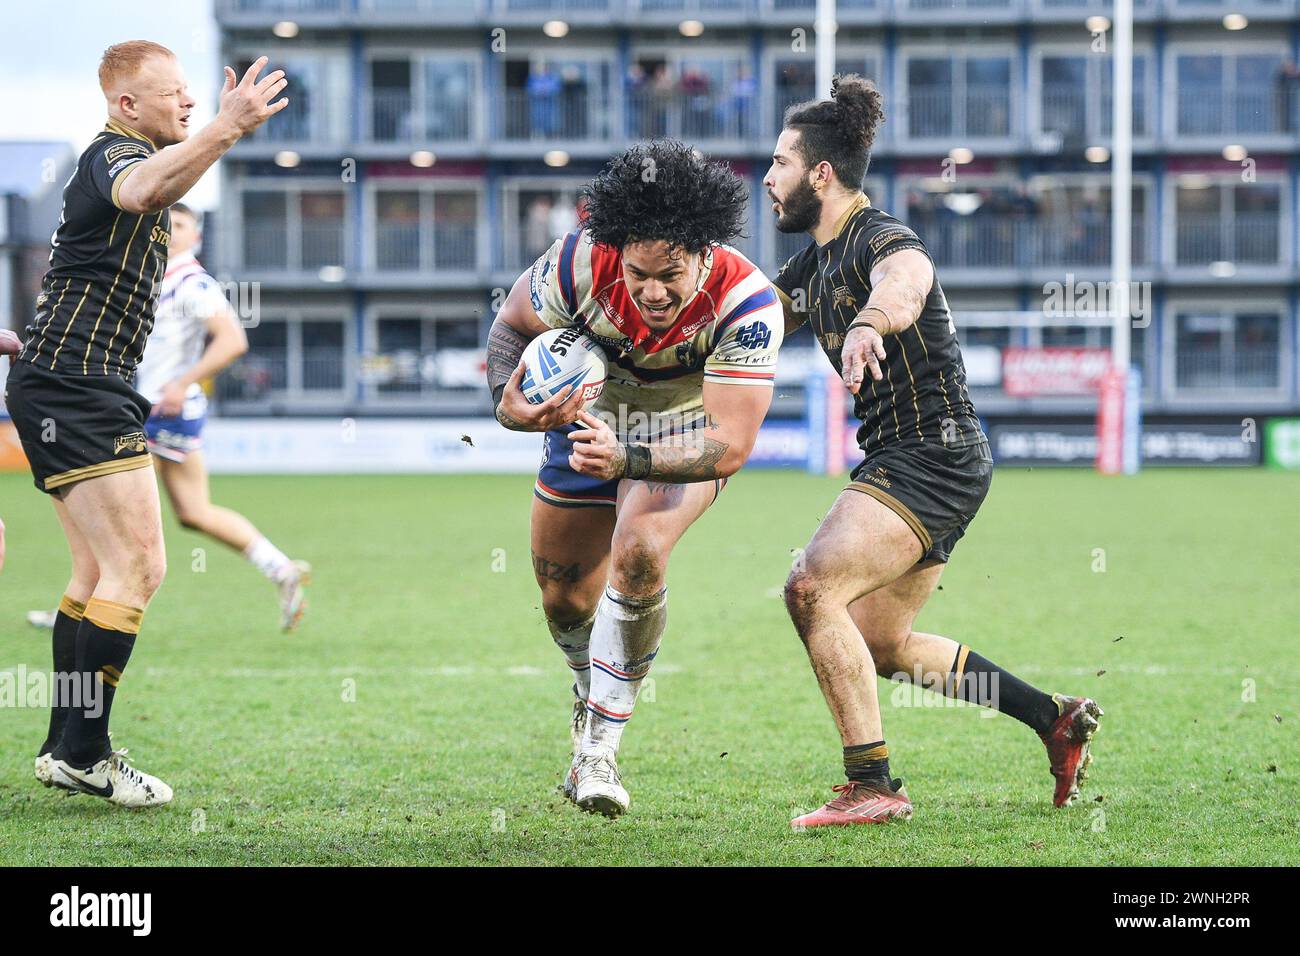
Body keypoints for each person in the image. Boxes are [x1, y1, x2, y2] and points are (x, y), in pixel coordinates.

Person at [764, 75, 1102, 828]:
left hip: (929, 456)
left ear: (821, 174)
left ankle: (873, 784)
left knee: (812, 590)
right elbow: (745, 325)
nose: (767, 177)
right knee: (880, 643)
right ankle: (1051, 716)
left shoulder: (878, 236)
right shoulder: (810, 268)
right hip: (924, 461)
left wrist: (868, 325)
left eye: (780, 163)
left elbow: (907, 280)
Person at [4, 40, 287, 807]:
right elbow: (141, 194)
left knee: (96, 574)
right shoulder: (116, 155)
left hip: (62, 380)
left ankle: (66, 747)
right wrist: (226, 129)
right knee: (141, 568)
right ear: (128, 105)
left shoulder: (131, 157)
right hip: (80, 386)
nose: (190, 104)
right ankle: (88, 753)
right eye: (175, 94)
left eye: (194, 95)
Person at [485, 141, 783, 817]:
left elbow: (730, 443)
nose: (651, 290)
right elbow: (511, 324)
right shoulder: (575, 264)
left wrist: (630, 460)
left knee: (642, 552)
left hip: (681, 435)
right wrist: (506, 400)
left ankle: (599, 750)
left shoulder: (747, 301)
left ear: (704, 252)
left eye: (669, 274)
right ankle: (589, 688)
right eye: (638, 272)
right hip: (589, 427)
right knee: (562, 599)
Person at [26, 203, 310, 633]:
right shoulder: (155, 279)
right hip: (166, 411)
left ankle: (81, 606)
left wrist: (181, 383)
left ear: (195, 238)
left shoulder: (192, 283)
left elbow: (232, 341)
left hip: (160, 410)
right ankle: (280, 568)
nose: (172, 231)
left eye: (182, 226)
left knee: (102, 506)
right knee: (193, 511)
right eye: (167, 224)